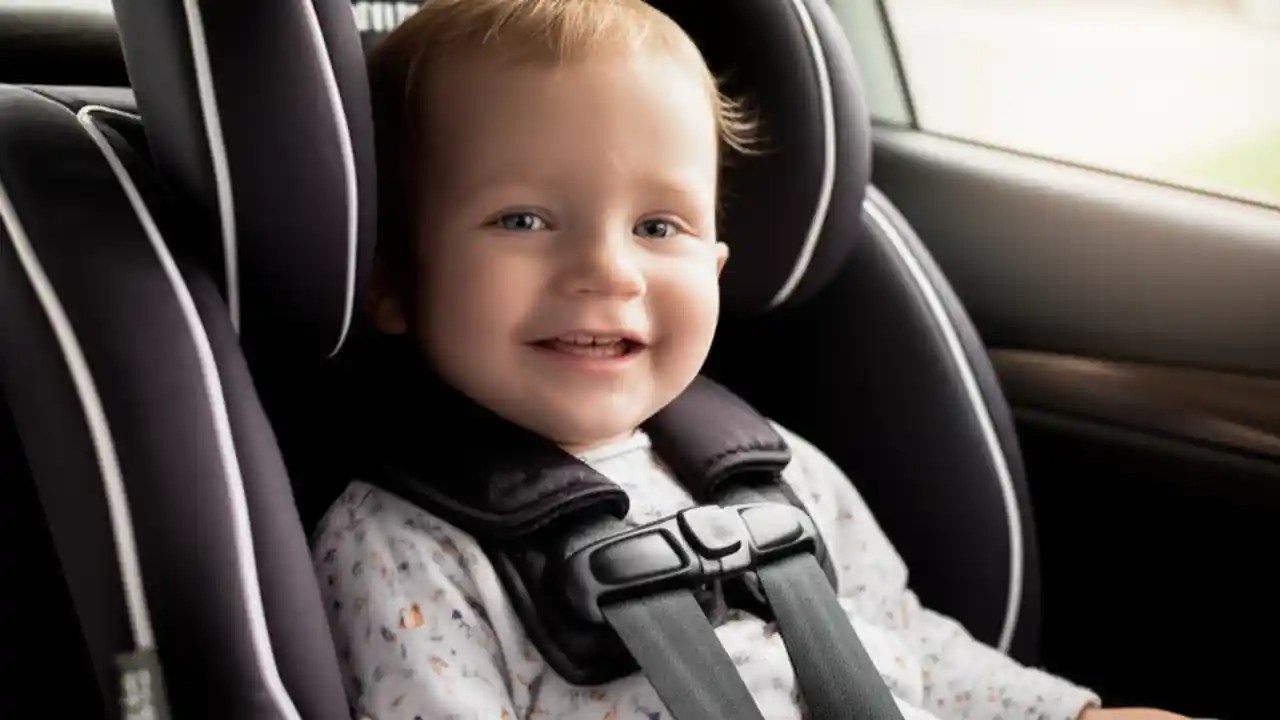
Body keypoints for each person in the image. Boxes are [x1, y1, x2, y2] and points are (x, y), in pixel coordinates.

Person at [310, 1, 1189, 718]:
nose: (609, 271)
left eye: (659, 227)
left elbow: (908, 648)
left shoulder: (775, 468)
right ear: (392, 275)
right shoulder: (402, 545)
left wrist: (1071, 715)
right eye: (524, 220)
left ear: (716, 268)